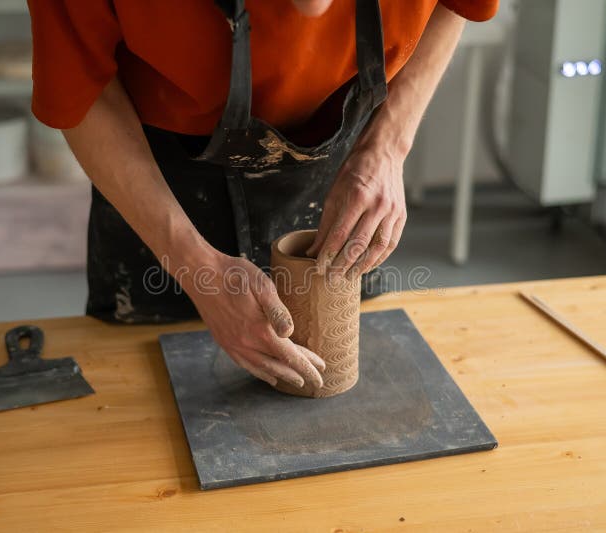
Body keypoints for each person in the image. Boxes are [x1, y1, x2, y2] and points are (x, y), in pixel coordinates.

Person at [27, 0, 498, 391]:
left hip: (344, 169)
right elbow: (83, 88)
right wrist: (191, 263)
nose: (312, 14)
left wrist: (389, 146)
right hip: (158, 176)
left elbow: (457, 5)